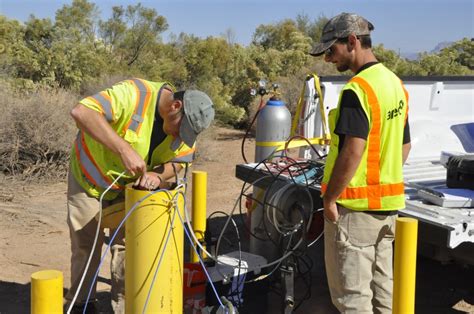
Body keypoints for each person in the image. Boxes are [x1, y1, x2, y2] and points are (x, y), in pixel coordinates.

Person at [65, 78, 215, 313]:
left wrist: (158, 175)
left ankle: (126, 306)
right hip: (89, 181)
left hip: (131, 191)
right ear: (175, 106)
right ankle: (83, 304)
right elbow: (81, 112)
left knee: (129, 247)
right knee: (86, 246)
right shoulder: (135, 94)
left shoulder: (182, 135)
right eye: (181, 128)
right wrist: (124, 149)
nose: (179, 137)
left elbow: (181, 161)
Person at [309, 13, 411, 313]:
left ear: (352, 41)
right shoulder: (394, 84)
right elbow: (403, 146)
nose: (328, 58)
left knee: (352, 300)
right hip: (386, 212)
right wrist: (377, 182)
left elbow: (353, 150)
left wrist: (330, 198)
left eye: (332, 49)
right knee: (383, 298)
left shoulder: (358, 89)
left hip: (354, 214)